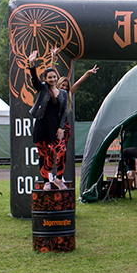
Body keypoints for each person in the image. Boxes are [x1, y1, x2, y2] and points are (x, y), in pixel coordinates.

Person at [27, 50, 69, 189]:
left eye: (54, 77)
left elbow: (64, 112)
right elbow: (34, 79)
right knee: (43, 155)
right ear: (45, 79)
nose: (52, 79)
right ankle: (46, 181)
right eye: (49, 77)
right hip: (41, 126)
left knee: (62, 150)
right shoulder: (43, 88)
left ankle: (59, 178)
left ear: (57, 78)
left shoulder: (63, 93)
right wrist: (32, 63)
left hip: (55, 128)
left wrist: (61, 127)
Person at [57, 49, 98, 180]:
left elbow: (78, 83)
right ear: (58, 85)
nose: (64, 88)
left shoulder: (67, 96)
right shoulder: (53, 94)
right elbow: (51, 73)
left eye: (66, 86)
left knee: (62, 151)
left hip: (64, 127)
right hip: (53, 126)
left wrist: (87, 73)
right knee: (51, 151)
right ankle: (50, 175)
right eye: (62, 85)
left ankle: (60, 176)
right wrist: (53, 57)